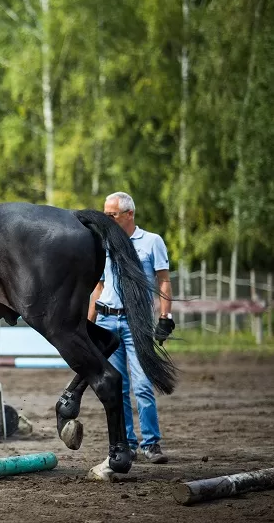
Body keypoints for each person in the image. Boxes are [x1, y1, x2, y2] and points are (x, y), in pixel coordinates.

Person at [88, 191, 176, 464]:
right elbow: (99, 286)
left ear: (129, 214)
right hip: (106, 319)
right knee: (117, 386)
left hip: (135, 321)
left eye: (111, 215)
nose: (106, 219)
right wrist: (89, 325)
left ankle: (152, 444)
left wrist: (165, 316)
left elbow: (163, 280)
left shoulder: (151, 242)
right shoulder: (104, 243)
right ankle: (127, 443)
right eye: (104, 214)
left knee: (142, 385)